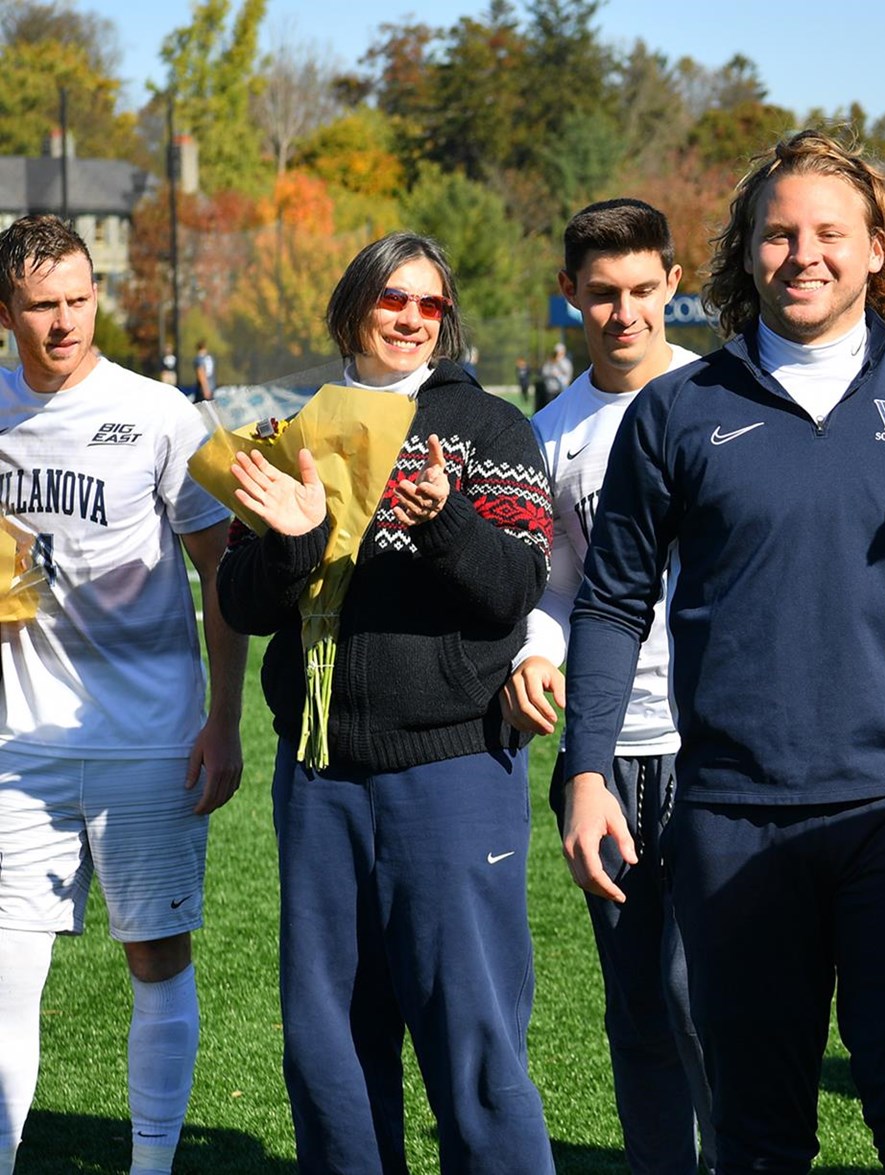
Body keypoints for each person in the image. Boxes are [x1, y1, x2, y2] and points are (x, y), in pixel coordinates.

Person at [561, 129, 885, 1173]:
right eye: (778, 234)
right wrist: (588, 766)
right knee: (756, 1128)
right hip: (734, 817)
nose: (804, 254)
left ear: (879, 247)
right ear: (745, 250)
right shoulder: (676, 410)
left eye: (831, 231)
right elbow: (609, 602)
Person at [215, 232, 555, 1173]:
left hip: (450, 768)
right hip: (320, 774)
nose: (410, 318)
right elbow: (242, 601)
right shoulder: (296, 431)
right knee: (328, 1046)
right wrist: (293, 537)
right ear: (353, 308)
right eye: (391, 299)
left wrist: (446, 521)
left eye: (430, 305)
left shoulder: (489, 429)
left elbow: (511, 589)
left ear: (446, 322)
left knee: (472, 1035)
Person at [0, 215, 246, 1175]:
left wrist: (222, 724)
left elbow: (224, 577)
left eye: (77, 299)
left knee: (156, 956)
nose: (63, 323)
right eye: (39, 306)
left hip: (151, 736)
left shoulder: (159, 412)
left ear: (96, 292)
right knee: (10, 972)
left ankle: (151, 1164)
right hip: (20, 741)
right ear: (6, 310)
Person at [500, 198, 713, 1173]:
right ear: (569, 297)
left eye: (641, 290)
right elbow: (550, 589)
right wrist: (530, 650)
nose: (624, 313)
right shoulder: (549, 436)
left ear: (674, 281)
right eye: (601, 295)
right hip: (609, 749)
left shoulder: (732, 400)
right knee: (640, 1000)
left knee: (708, 990)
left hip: (722, 744)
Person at [539, 342, 572, 411]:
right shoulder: (549, 362)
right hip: (551, 389)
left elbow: (568, 373)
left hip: (562, 390)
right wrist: (552, 373)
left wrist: (559, 362)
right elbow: (544, 372)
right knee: (550, 409)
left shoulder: (566, 362)